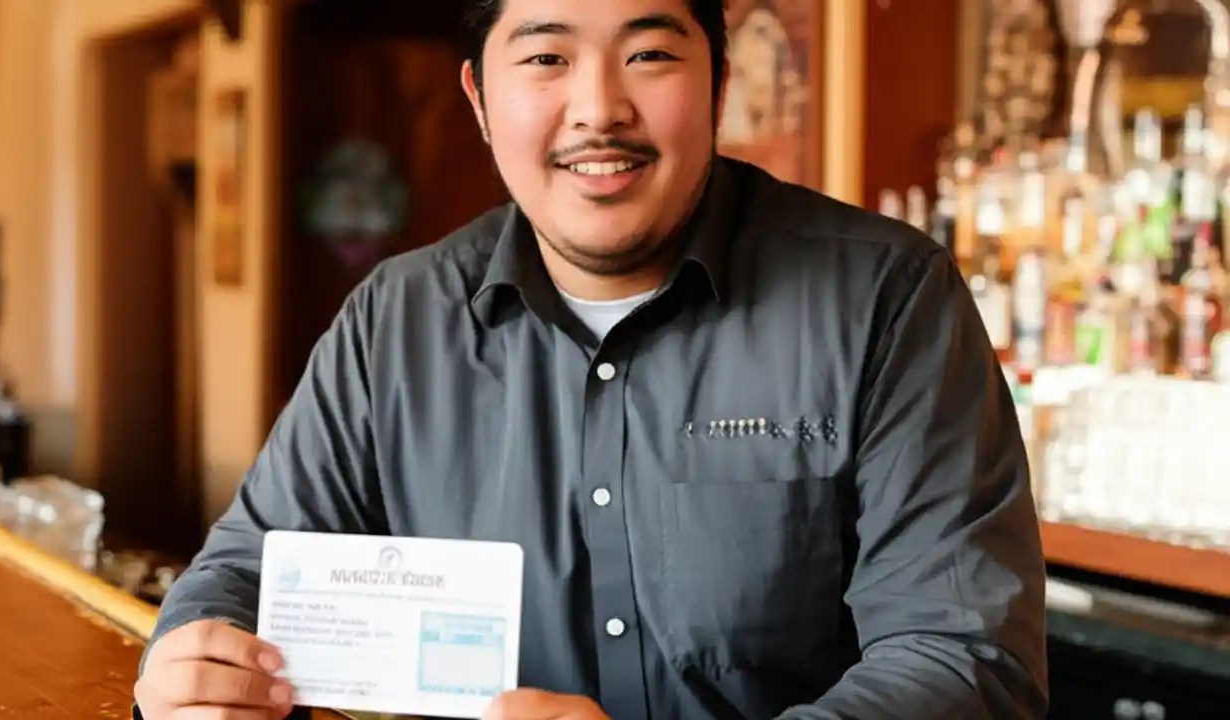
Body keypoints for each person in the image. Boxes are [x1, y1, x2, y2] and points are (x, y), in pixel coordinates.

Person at [132, 0, 1049, 717]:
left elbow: (964, 662)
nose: (600, 109)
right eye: (545, 58)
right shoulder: (395, 320)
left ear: (719, 82)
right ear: (479, 102)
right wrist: (193, 660)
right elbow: (252, 565)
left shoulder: (886, 298)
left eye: (649, 53)